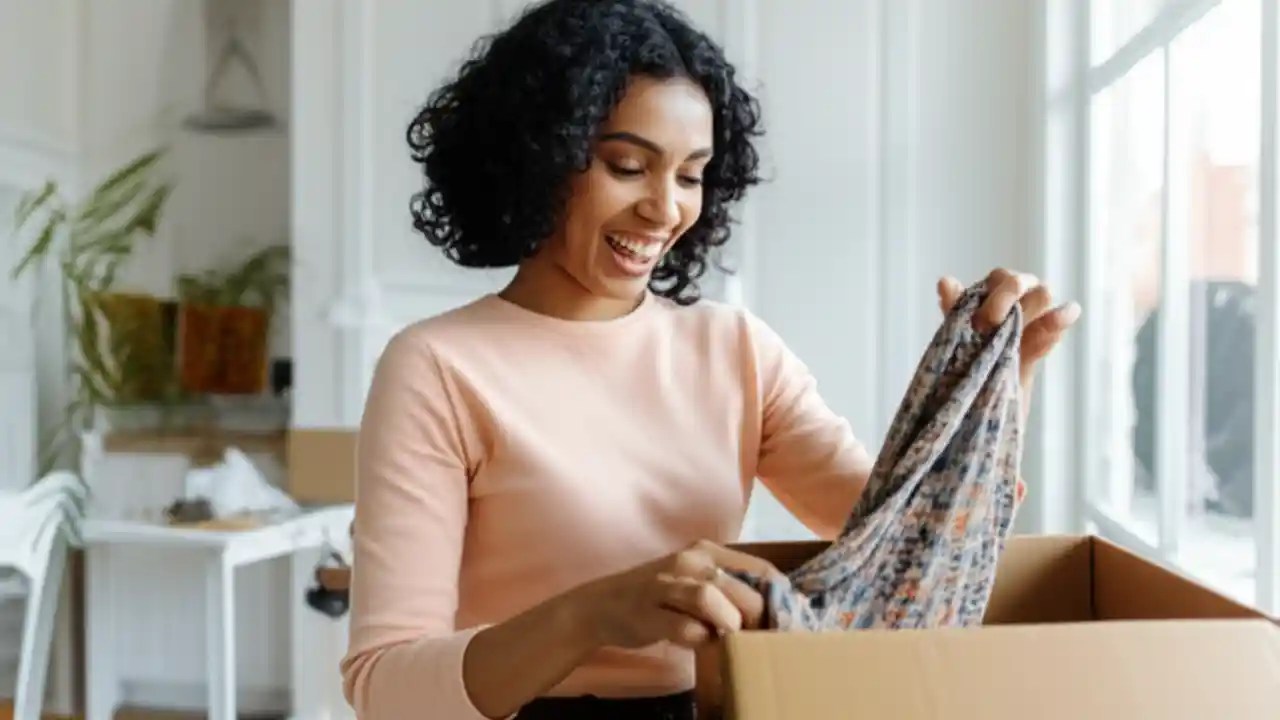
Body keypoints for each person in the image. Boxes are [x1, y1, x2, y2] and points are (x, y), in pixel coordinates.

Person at [339, 1, 1081, 718]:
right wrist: (594, 613)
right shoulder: (437, 367)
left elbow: (908, 545)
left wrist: (994, 383)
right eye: (628, 166)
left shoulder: (735, 351)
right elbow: (387, 687)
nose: (665, 208)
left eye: (691, 175)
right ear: (537, 159)